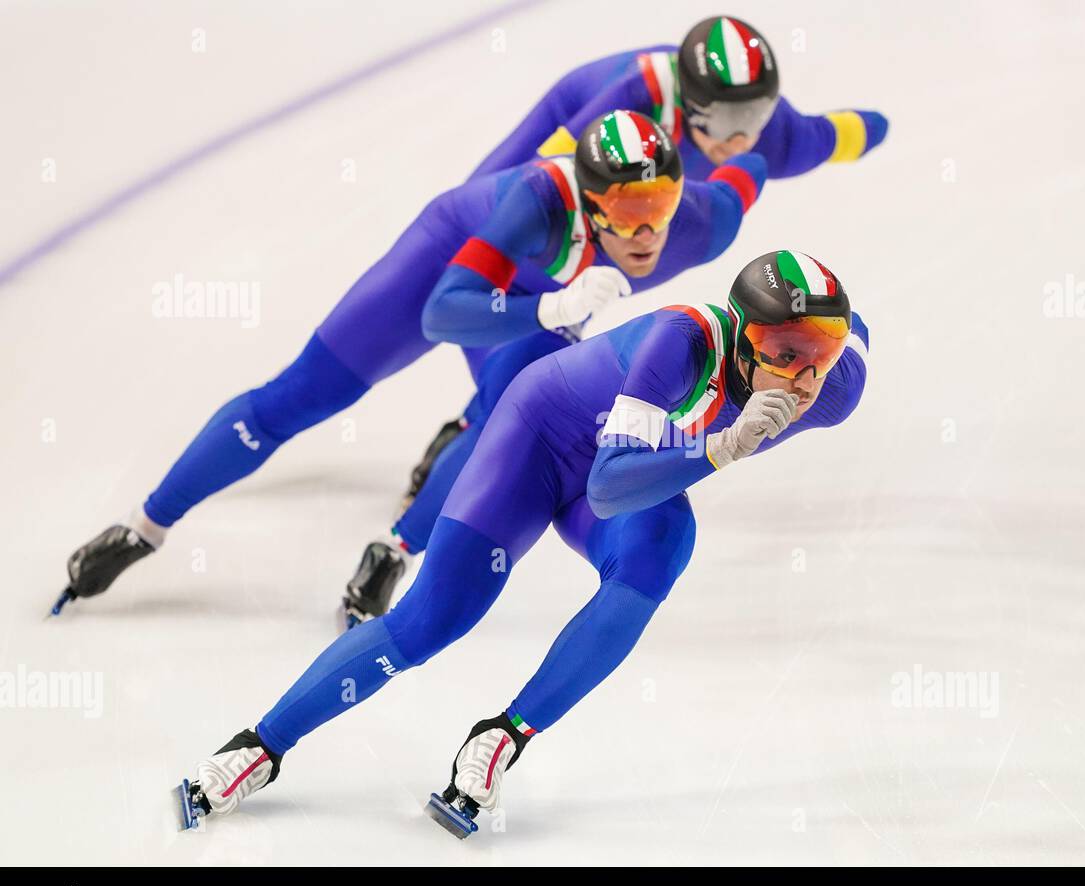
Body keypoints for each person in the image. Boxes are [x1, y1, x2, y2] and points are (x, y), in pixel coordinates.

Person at [175, 249, 869, 838]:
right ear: (745, 339)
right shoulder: (678, 342)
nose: (807, 377)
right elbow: (608, 487)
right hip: (539, 442)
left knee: (662, 546)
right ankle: (259, 747)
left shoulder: (835, 390)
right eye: (788, 356)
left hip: (628, 466)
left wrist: (752, 416)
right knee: (429, 623)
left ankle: (503, 735)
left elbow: (853, 338)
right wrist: (721, 449)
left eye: (821, 356)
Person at [55, 111, 765, 616]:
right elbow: (443, 311)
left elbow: (764, 158)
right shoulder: (539, 204)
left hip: (533, 301)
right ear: (587, 197)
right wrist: (546, 311)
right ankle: (145, 526)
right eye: (627, 208)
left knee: (510, 418)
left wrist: (766, 124)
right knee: (301, 395)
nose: (647, 230)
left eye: (661, 206)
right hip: (447, 273)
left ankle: (394, 549)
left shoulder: (699, 220)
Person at [351, 14, 889, 624]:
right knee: (510, 395)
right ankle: (401, 539)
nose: (740, 139)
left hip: (566, 295)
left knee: (514, 397)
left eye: (755, 123)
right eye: (729, 125)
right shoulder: (623, 105)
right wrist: (532, 279)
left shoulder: (715, 207)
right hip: (532, 240)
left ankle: (453, 451)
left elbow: (812, 142)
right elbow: (543, 180)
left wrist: (869, 131)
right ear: (693, 106)